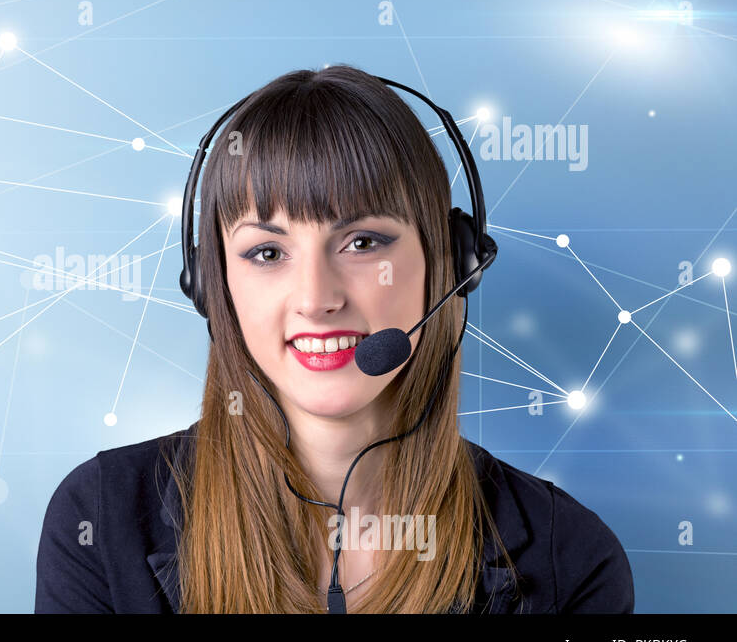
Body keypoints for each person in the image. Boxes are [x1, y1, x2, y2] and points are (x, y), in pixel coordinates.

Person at [35, 64, 634, 613]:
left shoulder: (571, 558)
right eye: (267, 252)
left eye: (363, 243)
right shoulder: (101, 519)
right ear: (212, 286)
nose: (316, 297)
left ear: (450, 263)